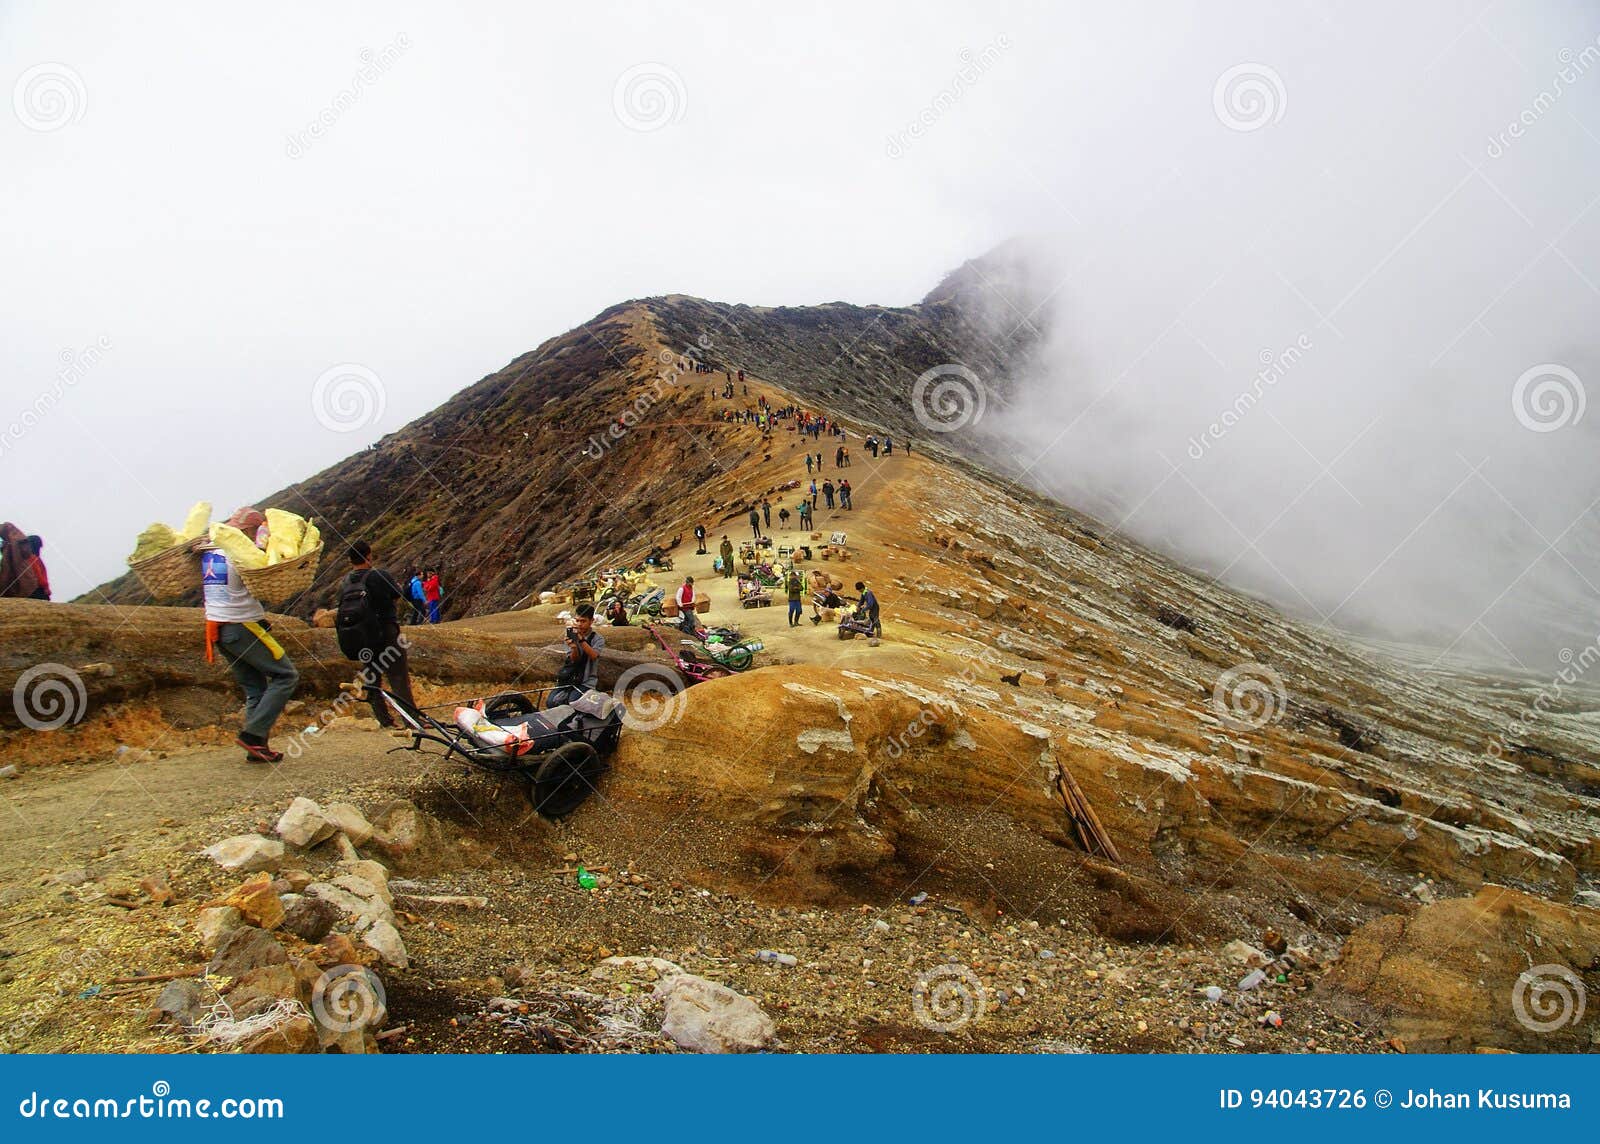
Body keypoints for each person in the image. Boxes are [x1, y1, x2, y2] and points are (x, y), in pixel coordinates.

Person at [199, 510, 299, 763]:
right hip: (242, 625)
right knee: (286, 675)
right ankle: (253, 736)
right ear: (250, 532)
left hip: (218, 630)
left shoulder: (211, 553)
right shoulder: (241, 555)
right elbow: (265, 581)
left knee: (255, 688)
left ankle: (257, 748)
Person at [336, 540, 416, 727]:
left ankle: (384, 719)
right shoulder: (379, 575)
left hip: (362, 634)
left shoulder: (345, 582)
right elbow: (398, 595)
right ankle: (411, 719)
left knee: (372, 676)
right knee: (398, 677)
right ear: (369, 555)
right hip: (387, 630)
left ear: (350, 560)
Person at [549, 604, 604, 707]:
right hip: (570, 678)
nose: (579, 624)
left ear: (591, 621)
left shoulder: (598, 639)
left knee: (573, 702)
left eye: (583, 621)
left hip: (586, 681)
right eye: (577, 621)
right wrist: (574, 647)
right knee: (551, 702)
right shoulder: (571, 635)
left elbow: (594, 656)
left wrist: (581, 640)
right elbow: (574, 659)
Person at [23, 536, 49, 600]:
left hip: (27, 590)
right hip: (37, 590)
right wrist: (45, 587)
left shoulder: (25, 558)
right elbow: (38, 575)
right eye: (39, 546)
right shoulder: (33, 558)